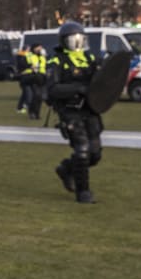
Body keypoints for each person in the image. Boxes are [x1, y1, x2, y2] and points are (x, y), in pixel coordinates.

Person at [46, 21, 103, 204]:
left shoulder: (90, 59)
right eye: (73, 40)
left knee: (95, 154)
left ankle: (66, 169)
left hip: (90, 109)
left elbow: (102, 81)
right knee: (82, 150)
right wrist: (77, 88)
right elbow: (52, 89)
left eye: (80, 39)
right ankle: (83, 192)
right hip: (70, 111)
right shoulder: (56, 61)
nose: (77, 43)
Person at [26, 43, 47, 120]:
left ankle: (37, 113)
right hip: (33, 77)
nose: (40, 49)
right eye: (39, 47)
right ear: (34, 48)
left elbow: (44, 66)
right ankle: (32, 113)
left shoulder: (42, 56)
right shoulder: (30, 55)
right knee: (36, 95)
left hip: (42, 77)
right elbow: (26, 64)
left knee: (40, 97)